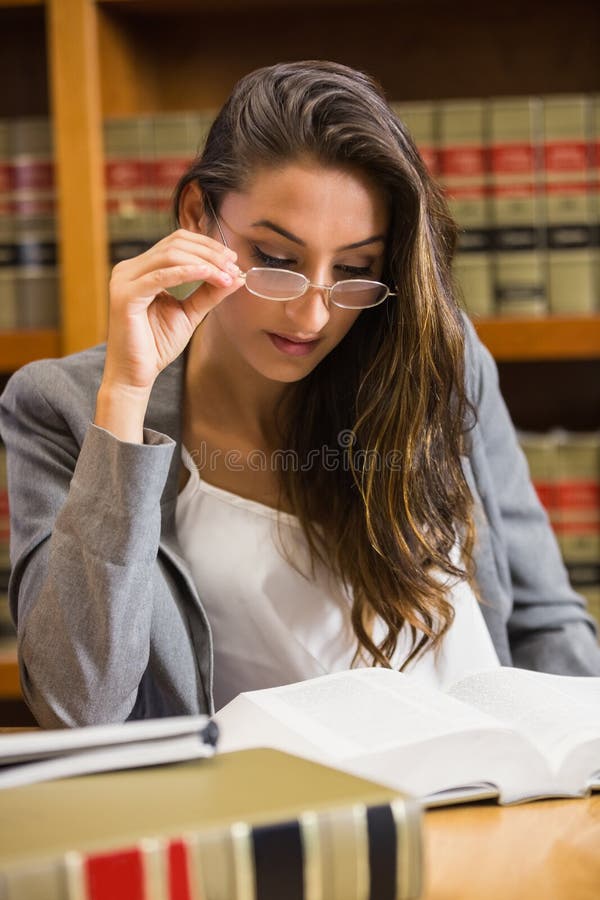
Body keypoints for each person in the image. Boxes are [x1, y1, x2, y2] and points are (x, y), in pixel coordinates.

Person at [1, 61, 598, 729]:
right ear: (198, 215)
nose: (314, 317)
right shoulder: (64, 407)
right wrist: (126, 399)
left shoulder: (438, 358)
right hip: (297, 826)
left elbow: (548, 623)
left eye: (352, 270)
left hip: (503, 806)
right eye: (277, 260)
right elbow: (79, 707)